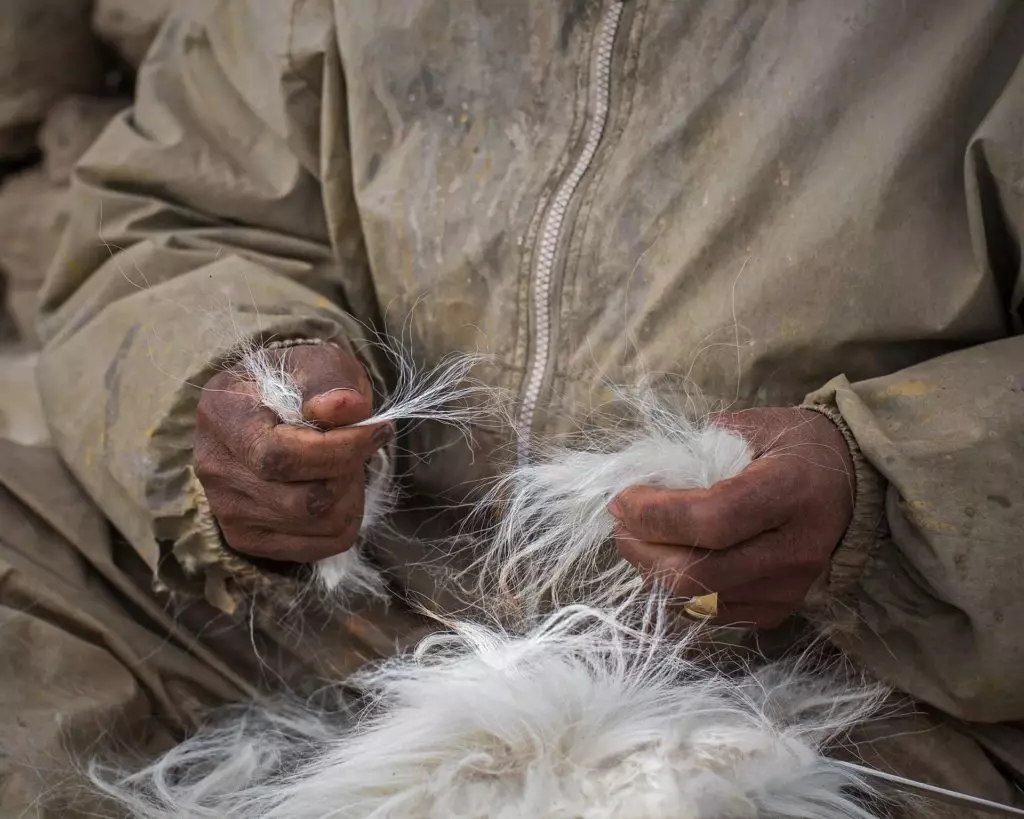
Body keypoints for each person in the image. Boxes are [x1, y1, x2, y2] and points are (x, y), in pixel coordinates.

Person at [1, 1, 1022, 816]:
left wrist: (892, 492)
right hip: (337, 611)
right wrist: (228, 379)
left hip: (830, 683)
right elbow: (175, 210)